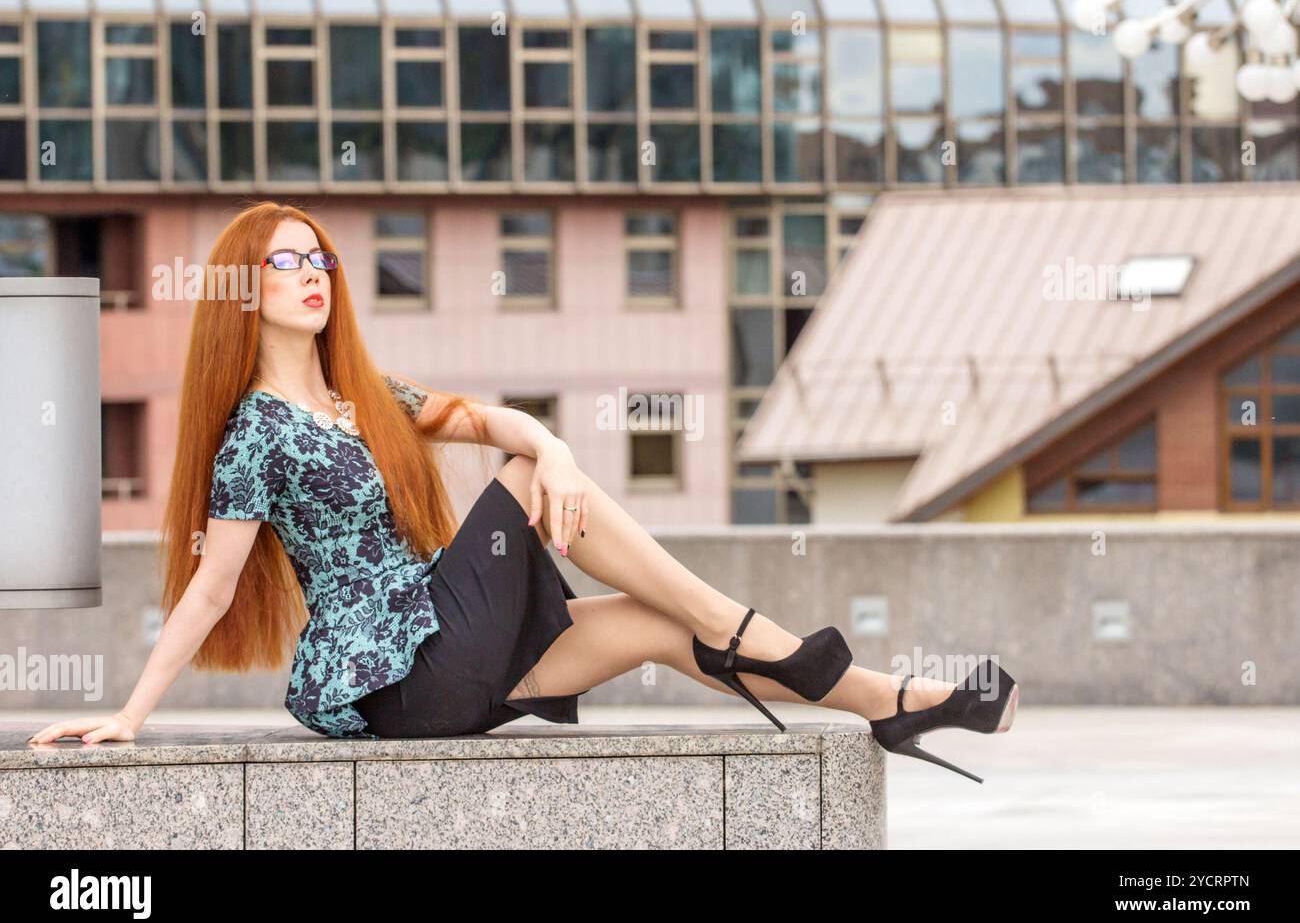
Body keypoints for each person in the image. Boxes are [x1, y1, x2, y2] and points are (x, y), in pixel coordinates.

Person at [26, 201, 1017, 783]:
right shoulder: (253, 430)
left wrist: (556, 448)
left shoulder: (368, 399)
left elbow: (498, 421)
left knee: (657, 627)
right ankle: (758, 629)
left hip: (449, 652)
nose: (309, 272)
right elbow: (209, 586)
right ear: (247, 291)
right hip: (393, 677)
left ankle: (890, 701)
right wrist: (130, 713)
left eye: (317, 255)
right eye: (282, 262)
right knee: (532, 491)